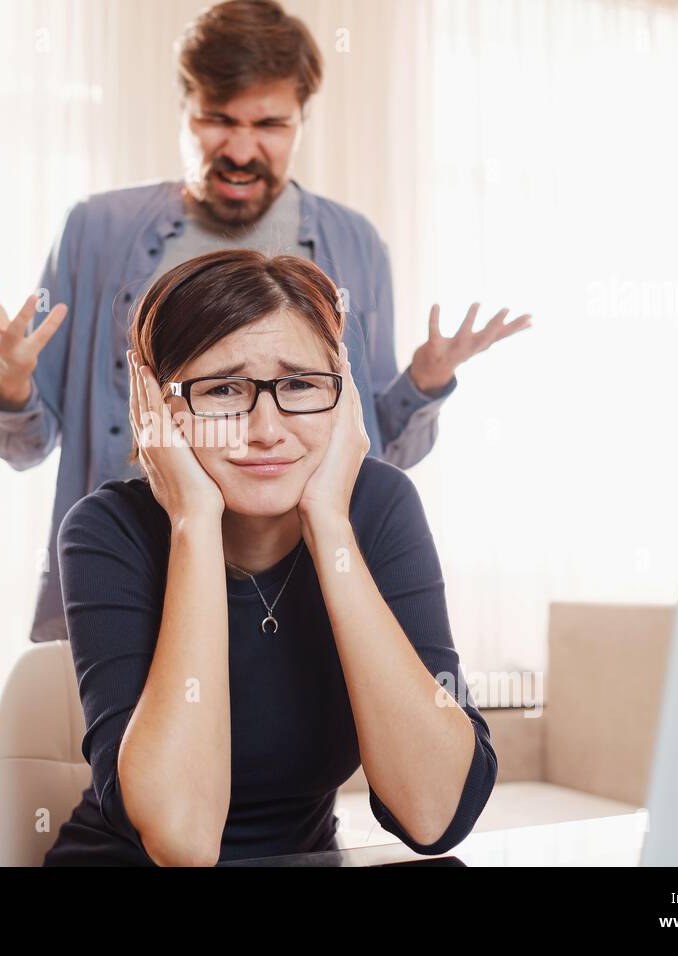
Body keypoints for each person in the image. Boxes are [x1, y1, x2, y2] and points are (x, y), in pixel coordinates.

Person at [0, 0, 531, 644]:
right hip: (131, 587)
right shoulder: (97, 231)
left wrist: (424, 385)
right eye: (216, 119)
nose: (240, 149)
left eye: (269, 124)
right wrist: (7, 380)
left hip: (303, 596)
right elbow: (24, 444)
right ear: (184, 110)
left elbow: (376, 450)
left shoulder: (355, 245)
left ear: (302, 120)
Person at [42, 250, 497, 866]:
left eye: (300, 385)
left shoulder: (380, 506)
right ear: (155, 403)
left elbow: (435, 814)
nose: (267, 429)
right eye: (224, 389)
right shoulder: (107, 529)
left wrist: (331, 525)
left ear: (343, 395)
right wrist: (192, 522)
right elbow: (183, 841)